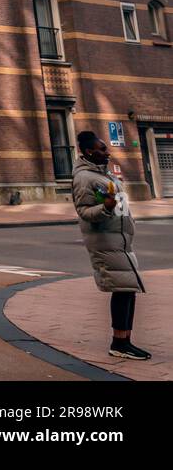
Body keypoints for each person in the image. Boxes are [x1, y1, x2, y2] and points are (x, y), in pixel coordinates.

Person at [72, 130, 149, 361]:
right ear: (88, 151)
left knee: (128, 289)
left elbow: (120, 207)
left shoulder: (103, 175)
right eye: (102, 149)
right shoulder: (85, 178)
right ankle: (119, 343)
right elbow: (84, 211)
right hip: (105, 241)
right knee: (124, 289)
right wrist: (106, 207)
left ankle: (124, 340)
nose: (107, 152)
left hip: (120, 240)